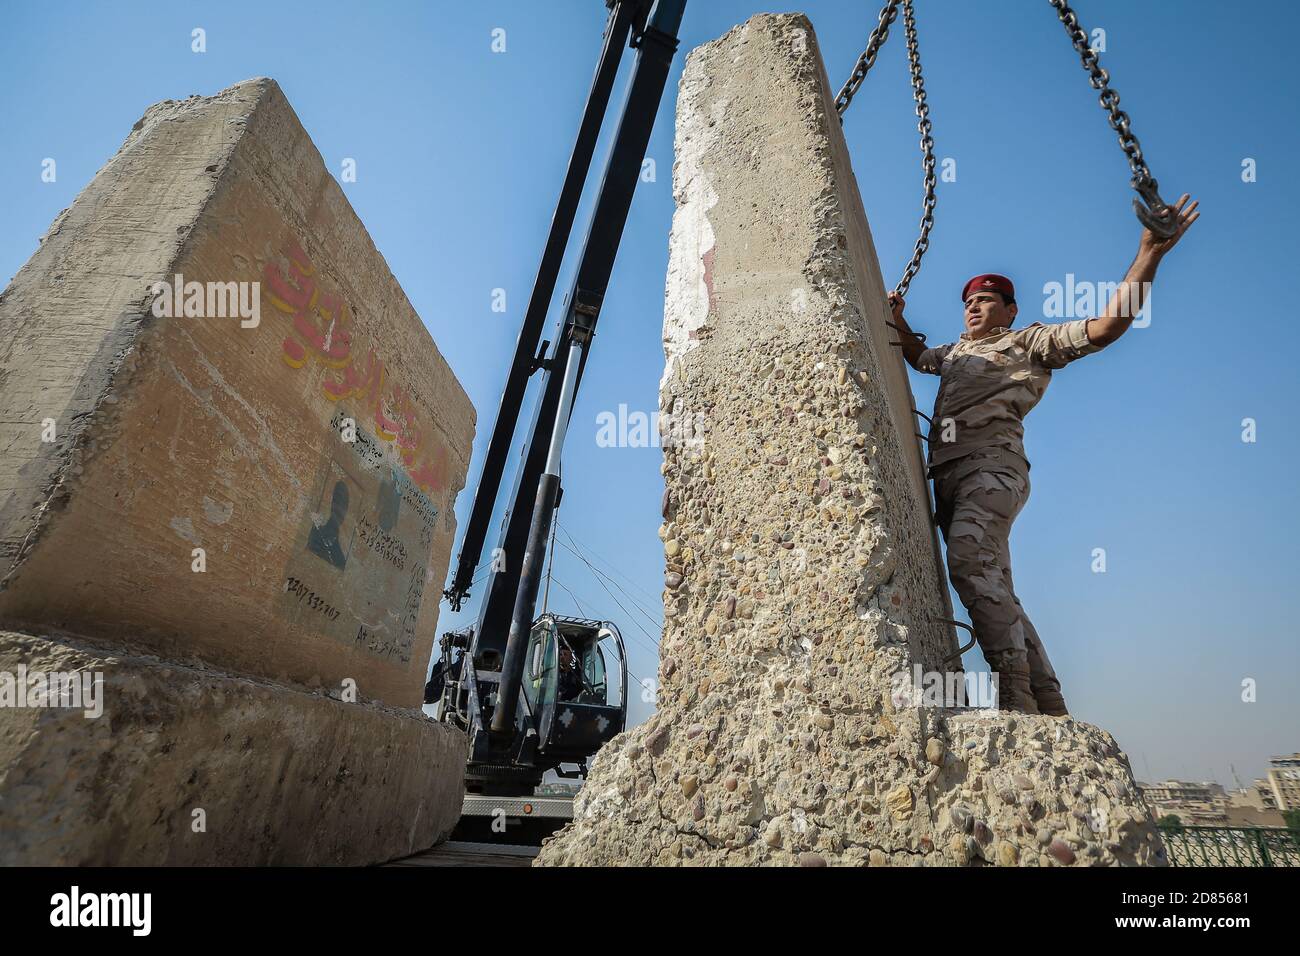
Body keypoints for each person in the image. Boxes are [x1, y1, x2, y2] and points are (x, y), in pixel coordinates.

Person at [888, 195, 1199, 715]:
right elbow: (918, 356)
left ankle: (1014, 693)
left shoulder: (1029, 343)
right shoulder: (955, 353)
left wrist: (1150, 253)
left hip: (992, 471)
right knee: (995, 585)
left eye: (988, 299)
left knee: (967, 563)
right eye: (969, 300)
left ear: (1010, 311)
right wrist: (896, 318)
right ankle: (1049, 701)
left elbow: (1103, 329)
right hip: (947, 480)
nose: (974, 305)